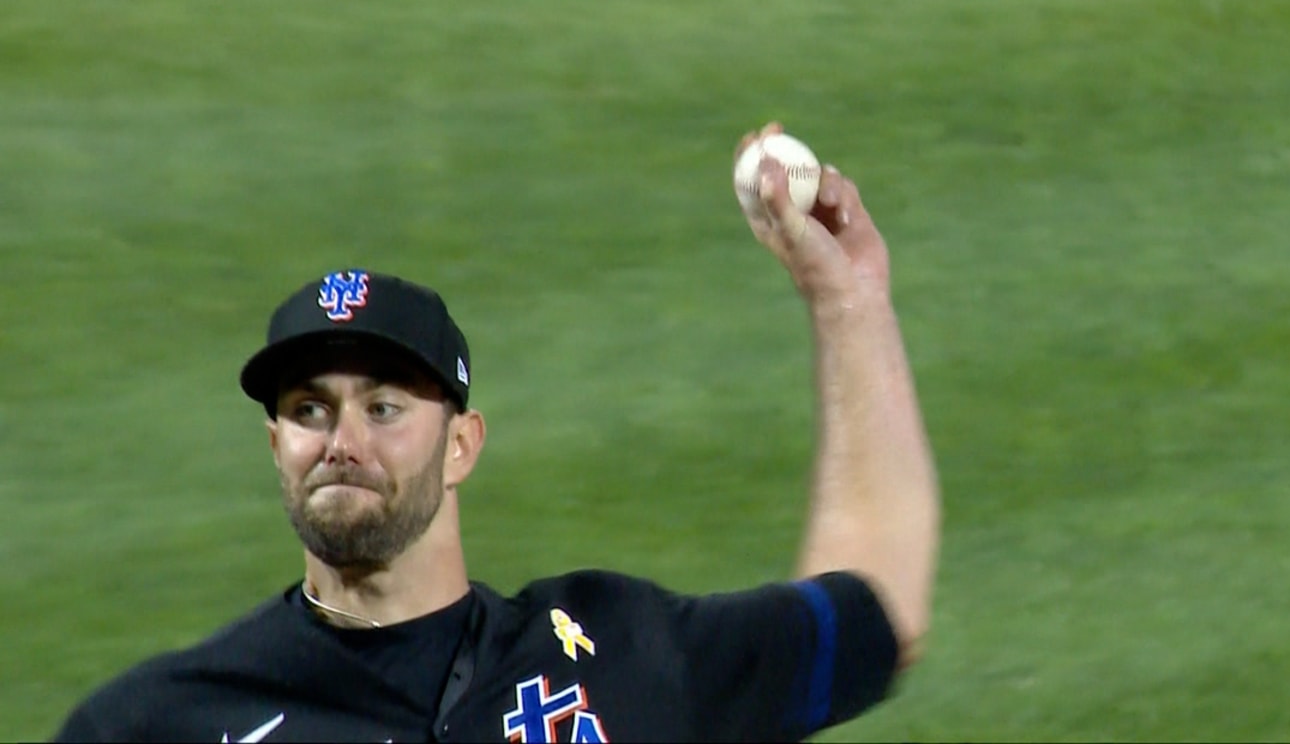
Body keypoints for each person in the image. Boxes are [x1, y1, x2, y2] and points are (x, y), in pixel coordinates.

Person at [53, 123, 941, 743]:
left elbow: (879, 611)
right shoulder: (161, 721)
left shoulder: (622, 656)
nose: (341, 440)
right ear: (275, 445)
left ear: (462, 444)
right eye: (309, 410)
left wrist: (848, 301)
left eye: (384, 407)